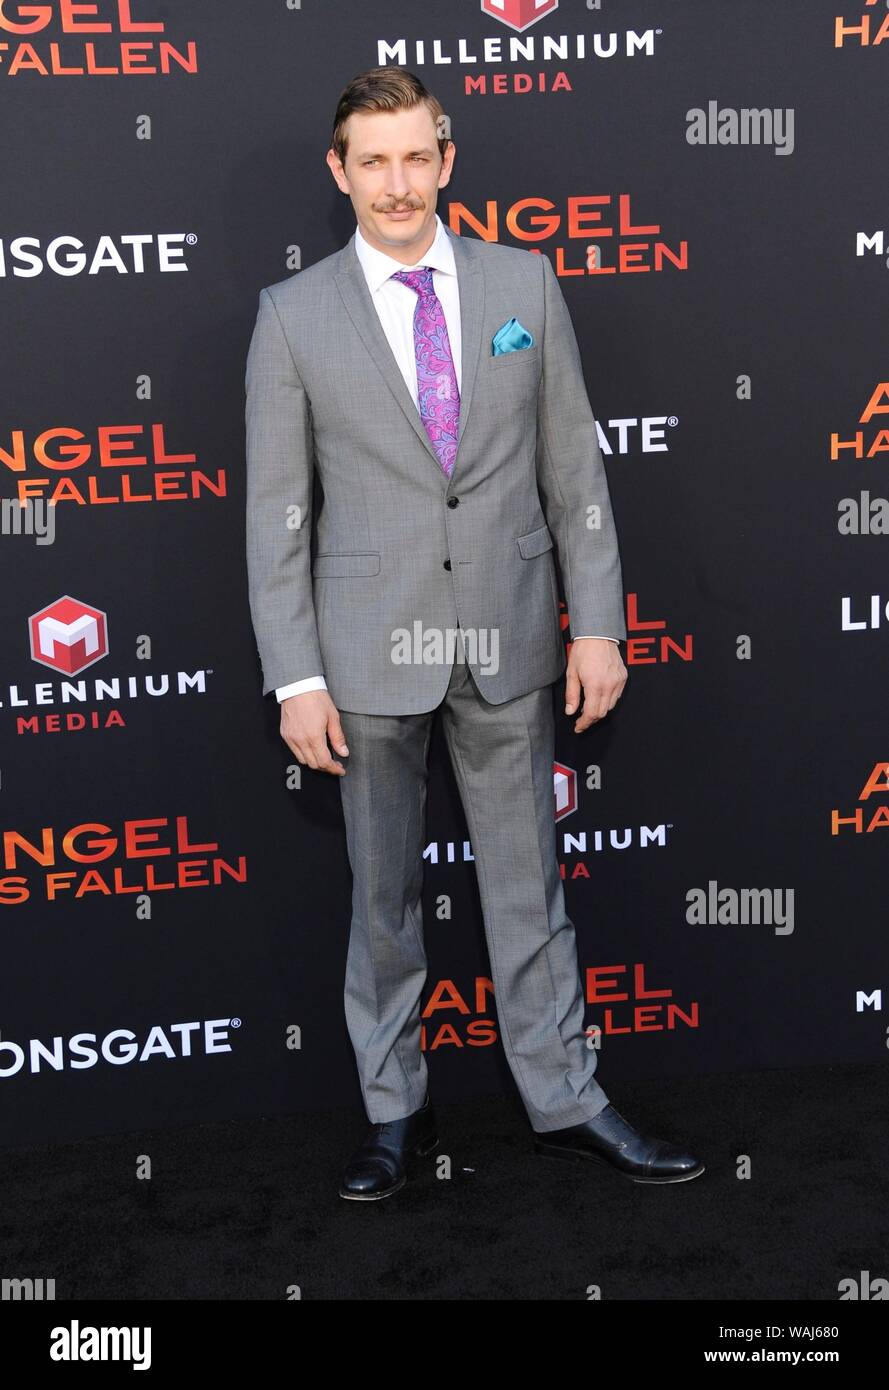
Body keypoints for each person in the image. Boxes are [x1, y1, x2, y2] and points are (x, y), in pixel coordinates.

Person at [245, 65, 704, 1200]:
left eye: (416, 157)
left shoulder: (524, 284)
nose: (396, 184)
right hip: (360, 656)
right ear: (338, 172)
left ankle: (566, 1098)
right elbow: (276, 514)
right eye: (372, 161)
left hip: (509, 638)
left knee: (528, 886)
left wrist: (595, 624)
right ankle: (393, 1112)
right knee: (382, 897)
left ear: (447, 161)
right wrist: (293, 674)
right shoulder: (292, 316)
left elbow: (572, 470)